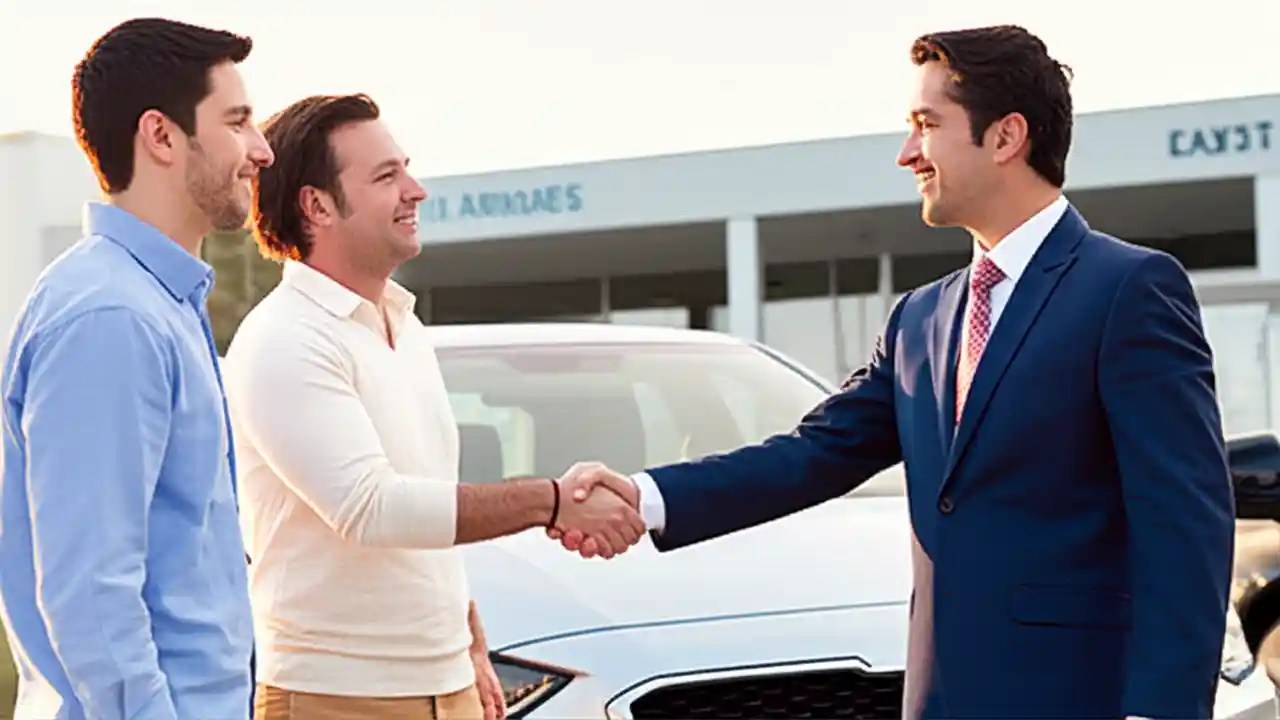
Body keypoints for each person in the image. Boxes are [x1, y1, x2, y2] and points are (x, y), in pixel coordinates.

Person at [551, 24, 1235, 720]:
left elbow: (1184, 524)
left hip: (1077, 699)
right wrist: (644, 496)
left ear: (1006, 136)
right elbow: (814, 453)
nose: (907, 153)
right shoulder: (920, 318)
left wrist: (1164, 710)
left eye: (926, 125)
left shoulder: (1128, 289)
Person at [221, 92, 641, 720]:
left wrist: (466, 637)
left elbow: (426, 498)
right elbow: (372, 508)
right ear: (317, 206)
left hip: (449, 686)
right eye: (386, 177)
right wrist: (551, 500)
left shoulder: (404, 325)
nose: (415, 191)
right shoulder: (284, 338)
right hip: (335, 699)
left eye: (406, 170)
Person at [0, 17, 274, 720]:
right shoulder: (111, 317)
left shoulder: (157, 303)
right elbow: (93, 598)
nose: (262, 149)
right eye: (237, 121)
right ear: (161, 136)